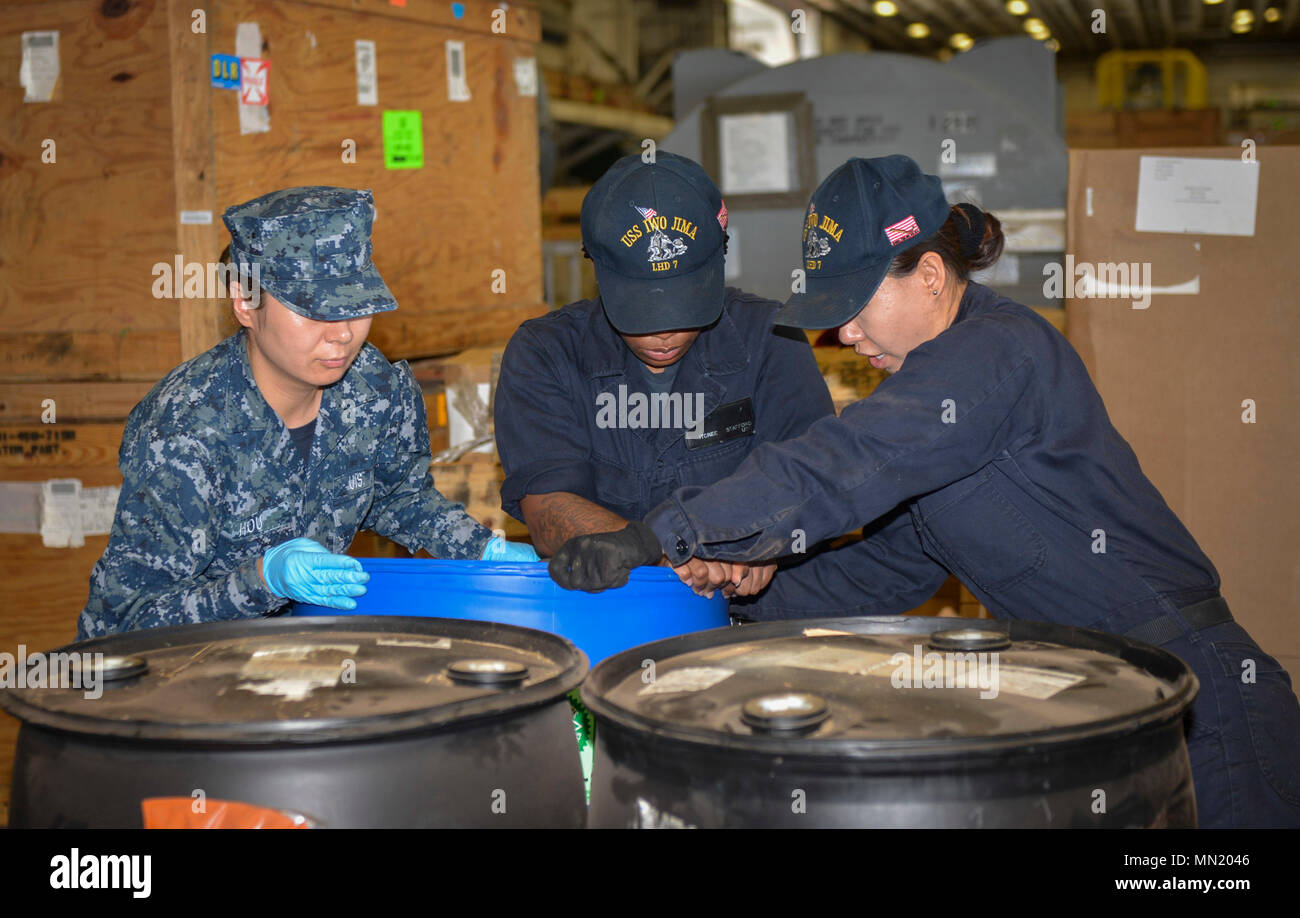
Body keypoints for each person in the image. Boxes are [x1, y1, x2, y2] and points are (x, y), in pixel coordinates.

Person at [546, 155, 1300, 829]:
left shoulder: (994, 354)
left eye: (855, 305)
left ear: (930, 276)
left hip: (1206, 706)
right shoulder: (938, 412)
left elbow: (844, 462)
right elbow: (887, 571)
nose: (843, 335)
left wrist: (659, 535)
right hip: (1112, 705)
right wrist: (729, 590)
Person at [79, 187, 536, 640]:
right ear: (245, 302)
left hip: (295, 659)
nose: (342, 335)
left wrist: (481, 550)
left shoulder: (370, 384)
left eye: (357, 306)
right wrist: (263, 580)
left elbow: (398, 495)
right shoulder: (184, 430)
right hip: (176, 681)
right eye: (314, 310)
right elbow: (128, 622)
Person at [494, 151, 836, 607]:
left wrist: (763, 543)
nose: (663, 332)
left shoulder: (771, 339)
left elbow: (819, 477)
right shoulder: (545, 354)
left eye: (684, 306)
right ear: (596, 269)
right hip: (614, 611)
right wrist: (662, 553)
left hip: (757, 618)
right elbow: (547, 510)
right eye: (640, 310)